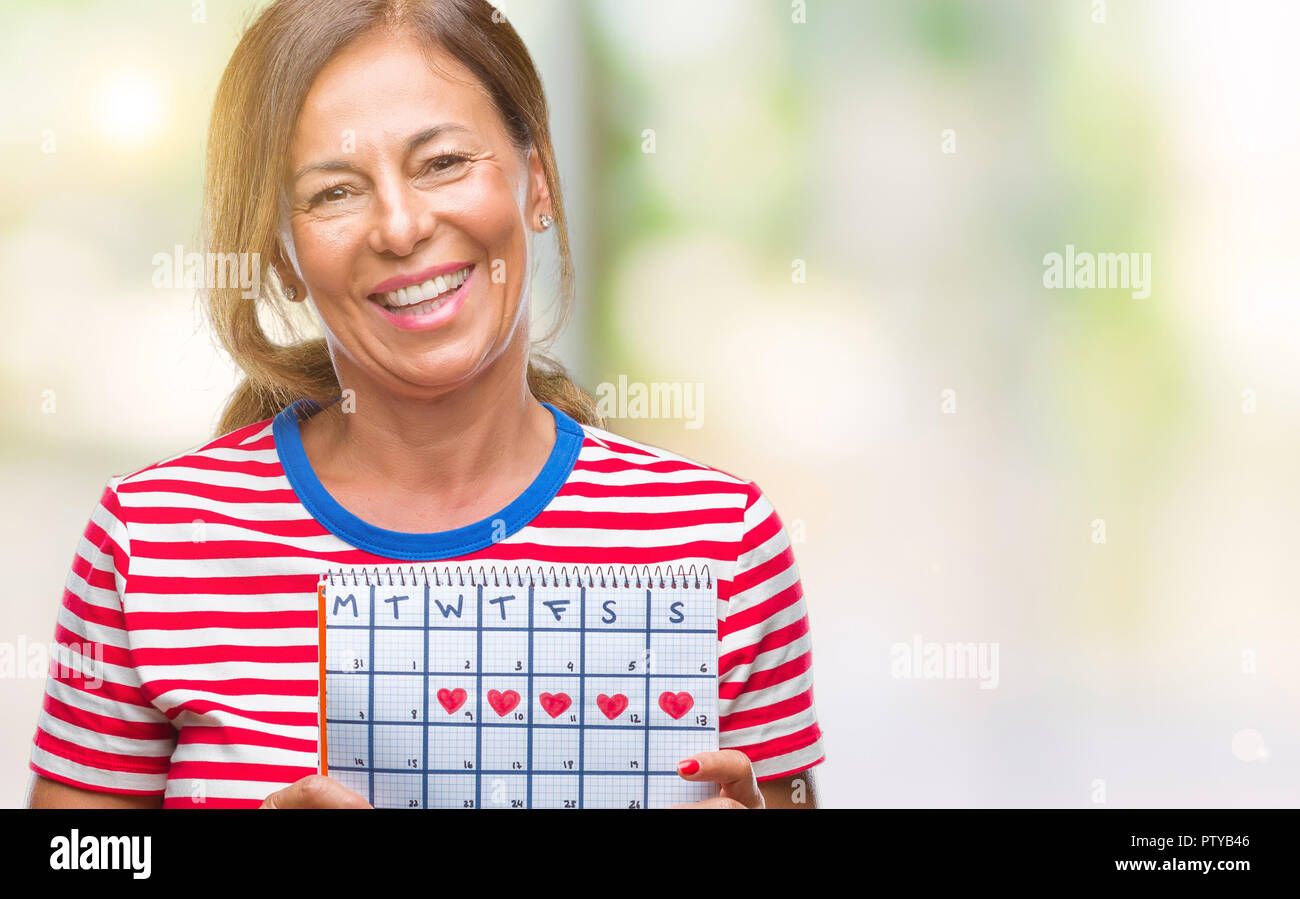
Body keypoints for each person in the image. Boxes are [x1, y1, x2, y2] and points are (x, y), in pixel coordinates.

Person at [27, 0, 824, 809]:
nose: (402, 226)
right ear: (286, 255)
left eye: (442, 161)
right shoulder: (151, 540)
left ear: (537, 175)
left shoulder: (725, 543)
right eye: (335, 191)